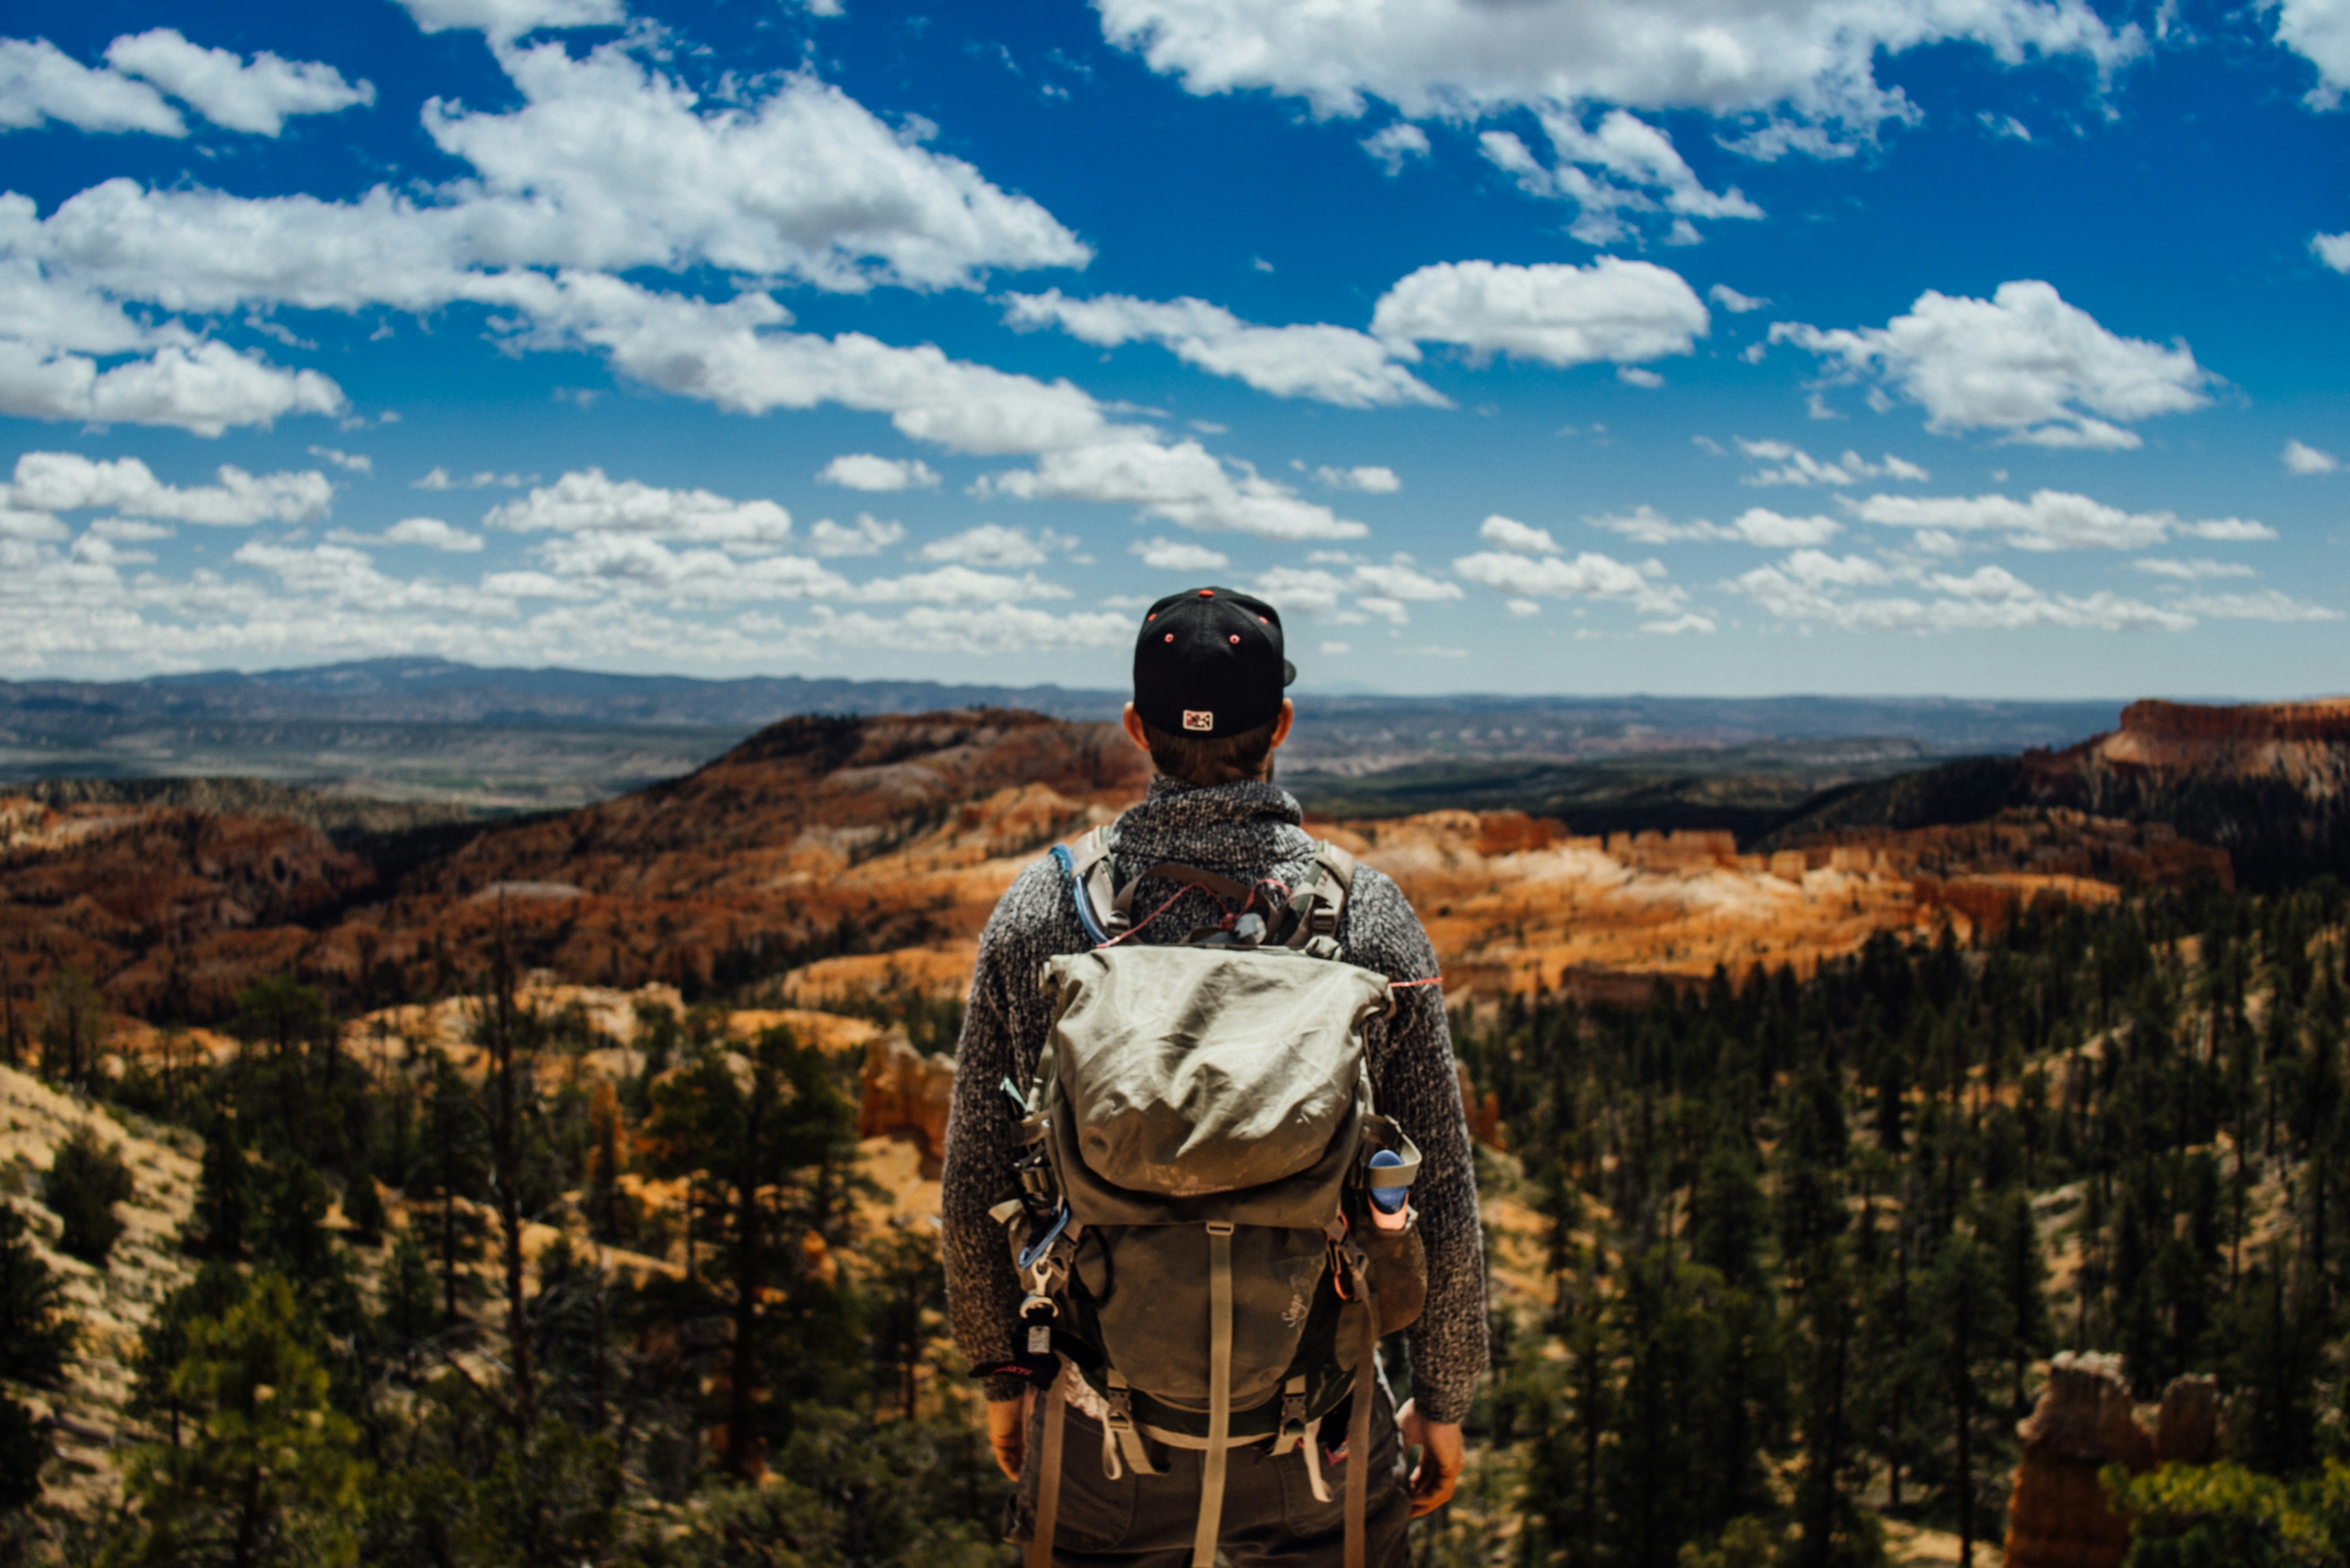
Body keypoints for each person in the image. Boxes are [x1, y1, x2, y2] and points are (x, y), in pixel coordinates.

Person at [940, 586, 1487, 1565]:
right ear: (1280, 725)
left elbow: (978, 1176)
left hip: (1099, 1428)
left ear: (1135, 728)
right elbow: (1436, 1186)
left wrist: (1001, 1377)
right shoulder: (1368, 919)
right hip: (1318, 1436)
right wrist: (1444, 1400)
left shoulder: (1043, 913)